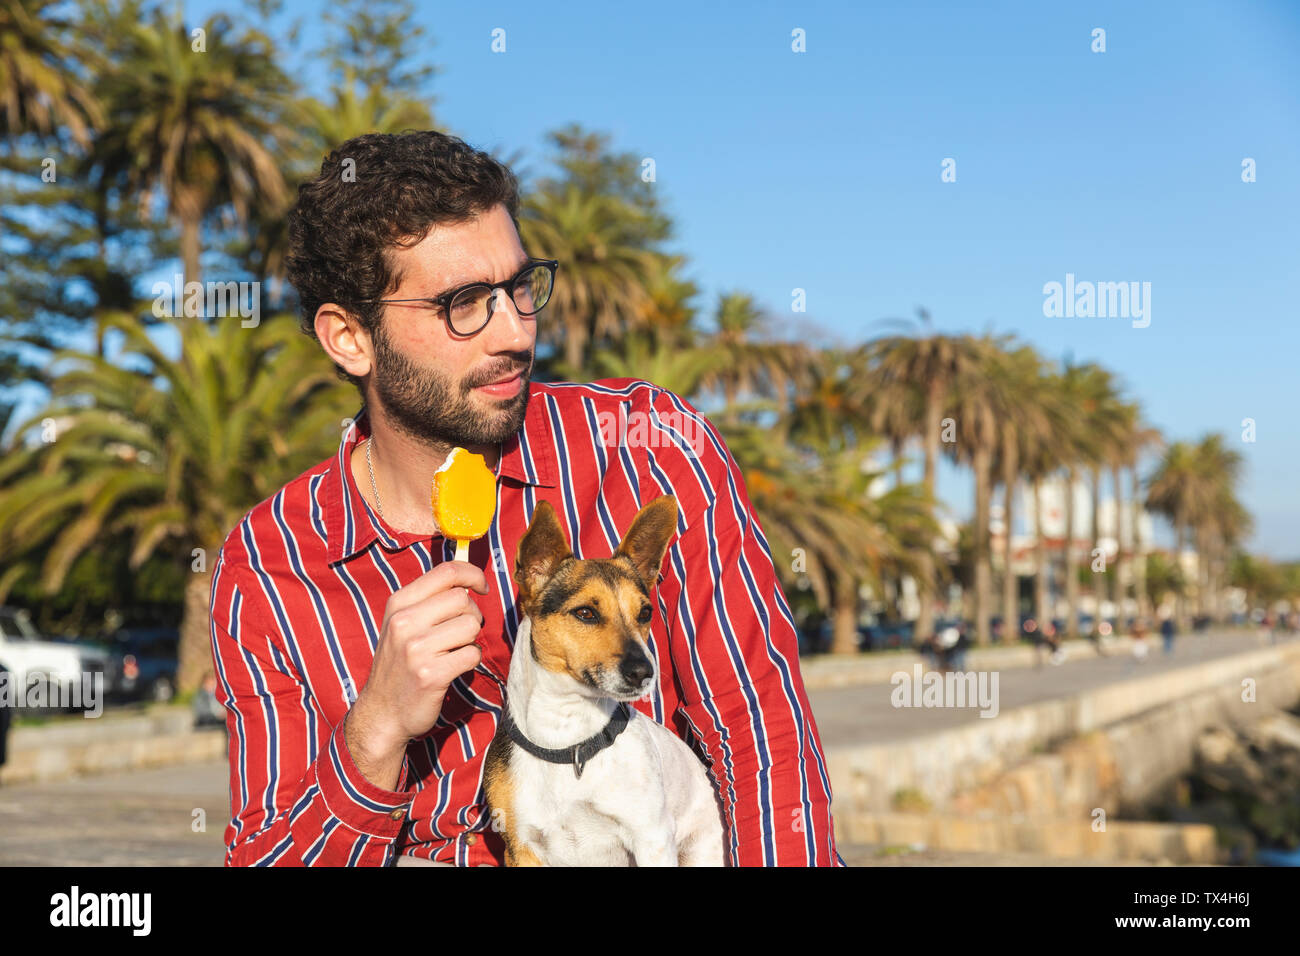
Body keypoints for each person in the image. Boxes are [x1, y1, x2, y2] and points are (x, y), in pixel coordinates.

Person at [208, 131, 842, 868]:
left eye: (518, 287)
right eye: (463, 304)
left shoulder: (649, 448)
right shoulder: (268, 566)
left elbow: (761, 731)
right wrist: (375, 732)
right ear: (351, 339)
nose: (514, 331)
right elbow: (266, 854)